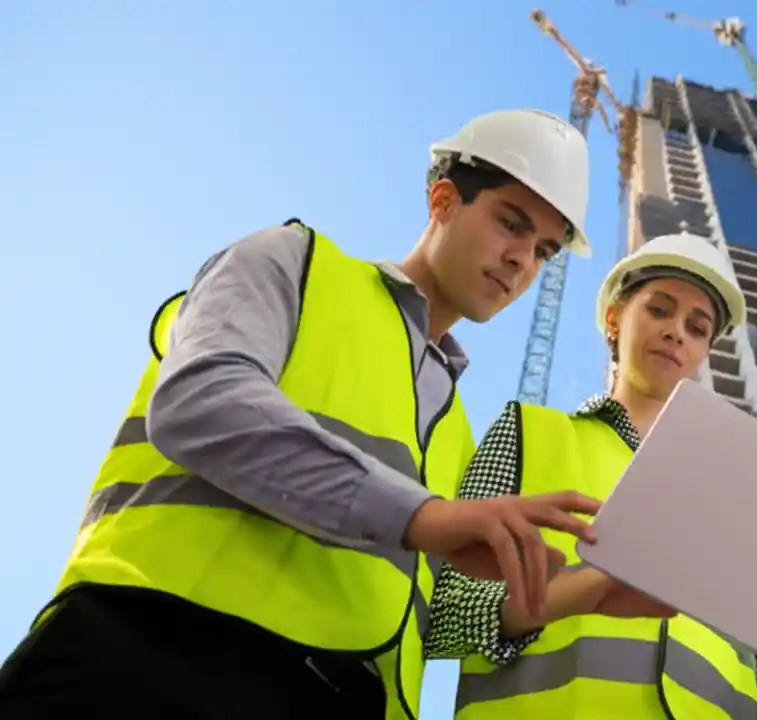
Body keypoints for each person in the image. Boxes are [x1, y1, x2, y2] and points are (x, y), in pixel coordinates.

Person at [0, 108, 608, 720]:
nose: (522, 261)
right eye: (510, 223)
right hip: (154, 656)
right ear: (444, 201)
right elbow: (199, 401)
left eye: (544, 252)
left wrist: (574, 591)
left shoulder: (455, 432)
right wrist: (422, 515)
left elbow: (423, 616)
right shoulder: (294, 261)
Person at [428, 232, 757, 720]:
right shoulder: (530, 433)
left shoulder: (748, 500)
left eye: (697, 327)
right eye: (659, 310)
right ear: (614, 318)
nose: (676, 333)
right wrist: (586, 588)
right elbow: (439, 617)